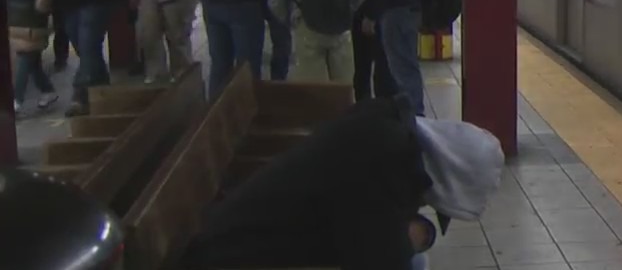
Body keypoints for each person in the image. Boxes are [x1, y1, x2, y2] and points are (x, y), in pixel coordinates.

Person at [185, 97, 503, 270]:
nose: (424, 204)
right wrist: (416, 235)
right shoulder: (380, 156)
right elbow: (378, 259)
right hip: (233, 259)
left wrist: (423, 233)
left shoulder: (389, 131)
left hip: (245, 241)